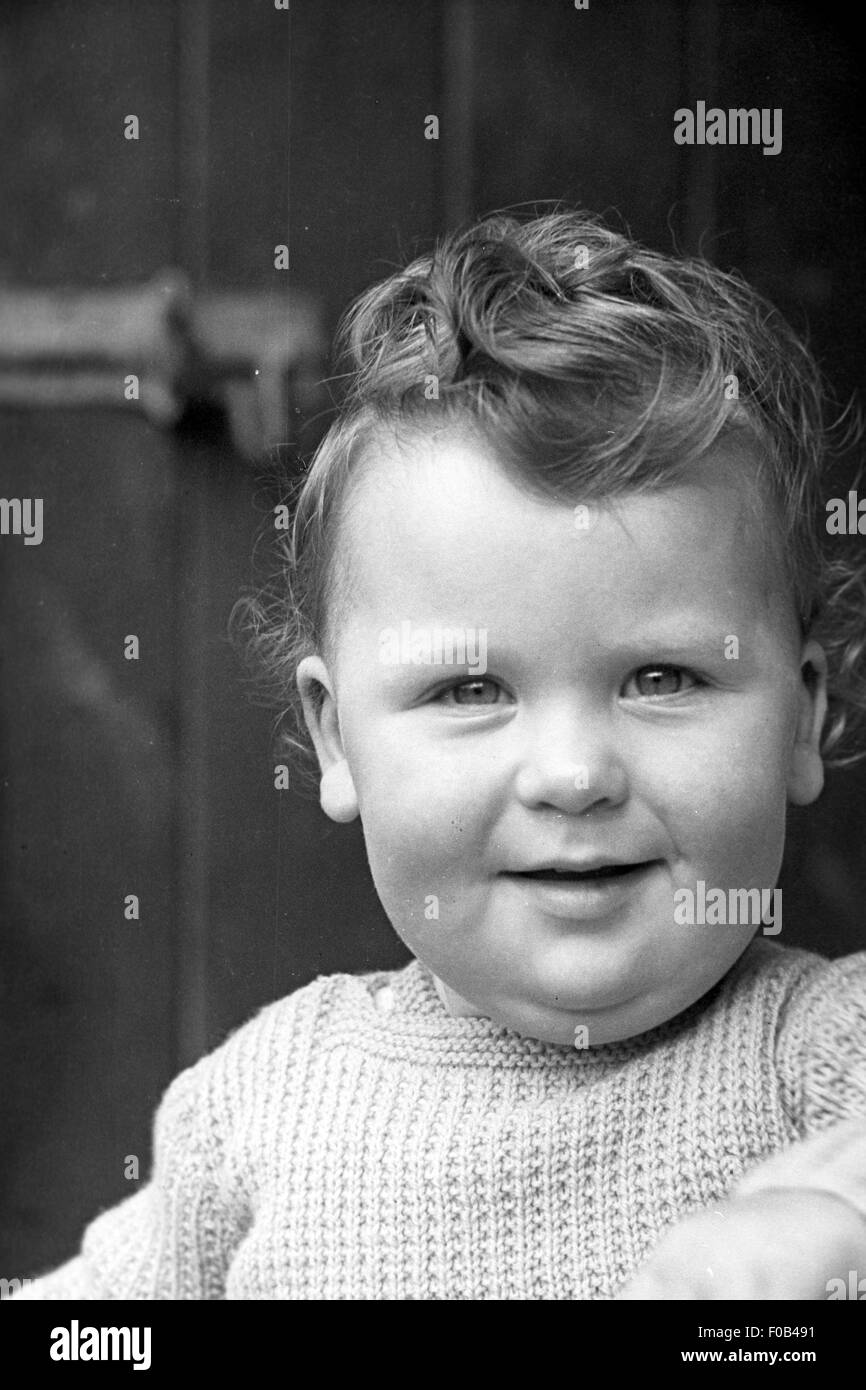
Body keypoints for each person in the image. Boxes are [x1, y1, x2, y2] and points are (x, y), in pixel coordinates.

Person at [16, 208, 866, 1299]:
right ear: (337, 736)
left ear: (799, 719)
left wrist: (819, 1222)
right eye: (469, 689)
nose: (570, 773)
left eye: (661, 678)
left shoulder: (821, 1056)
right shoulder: (260, 1104)